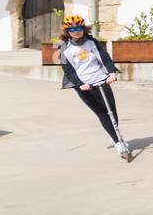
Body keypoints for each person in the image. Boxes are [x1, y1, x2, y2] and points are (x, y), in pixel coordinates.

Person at [56, 15, 131, 160]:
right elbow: (68, 71)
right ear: (67, 31)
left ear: (83, 29)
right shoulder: (64, 48)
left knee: (111, 110)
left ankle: (115, 135)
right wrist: (80, 84)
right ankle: (118, 142)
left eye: (79, 28)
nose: (76, 31)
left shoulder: (92, 42)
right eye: (72, 29)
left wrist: (111, 73)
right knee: (102, 113)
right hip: (84, 85)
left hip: (101, 79)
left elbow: (105, 58)